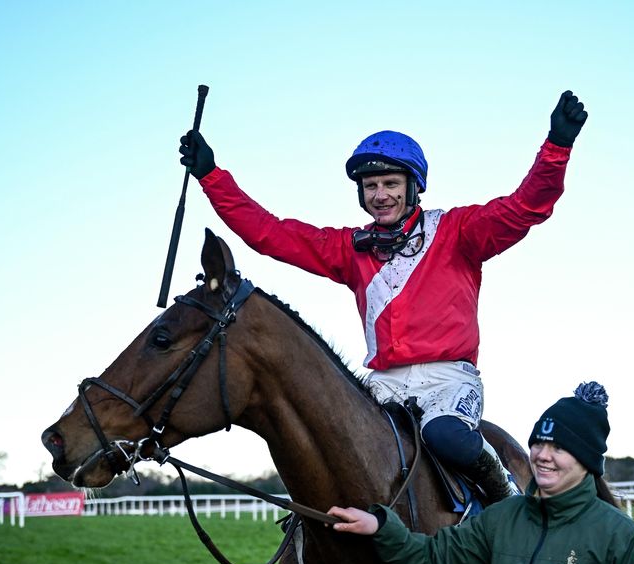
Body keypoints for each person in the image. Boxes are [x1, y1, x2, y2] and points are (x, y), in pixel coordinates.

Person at [179, 91, 588, 503]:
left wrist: (557, 146)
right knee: (326, 446)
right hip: (382, 384)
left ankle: (507, 496)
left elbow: (525, 209)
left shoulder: (457, 231)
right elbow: (270, 233)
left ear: (414, 188)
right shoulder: (350, 248)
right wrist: (211, 175)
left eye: (391, 183)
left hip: (449, 380)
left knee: (444, 434)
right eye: (370, 186)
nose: (380, 195)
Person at [329, 382, 634, 564]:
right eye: (538, 442)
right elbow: (432, 559)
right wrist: (380, 526)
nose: (542, 455)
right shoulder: (503, 517)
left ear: (586, 461)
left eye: (559, 447)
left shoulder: (622, 539)